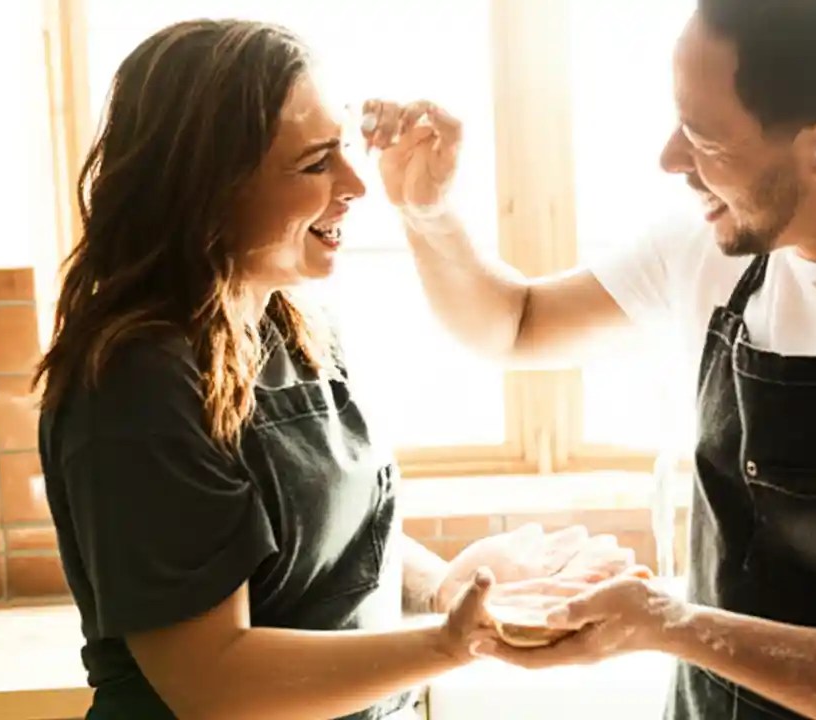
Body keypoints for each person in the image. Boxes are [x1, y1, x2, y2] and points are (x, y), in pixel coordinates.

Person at [362, 0, 816, 718]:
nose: (670, 159)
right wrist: (427, 214)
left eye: (704, 139)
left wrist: (667, 624)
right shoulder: (712, 249)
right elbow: (515, 326)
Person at [34, 19, 634, 720]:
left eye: (344, 148)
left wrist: (448, 586)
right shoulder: (139, 382)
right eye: (316, 163)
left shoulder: (288, 324)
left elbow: (322, 540)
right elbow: (212, 681)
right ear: (208, 185)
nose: (355, 184)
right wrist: (448, 644)